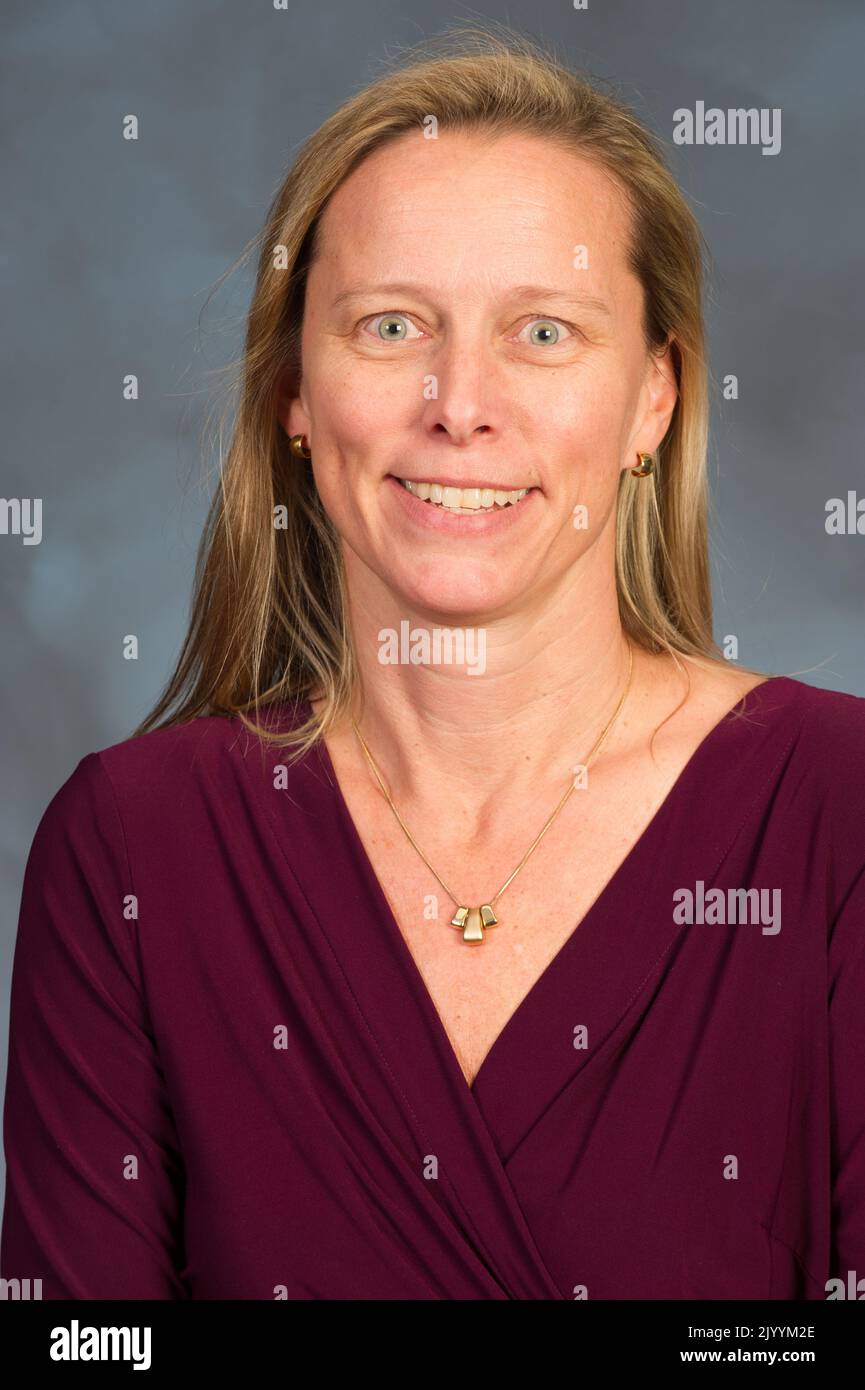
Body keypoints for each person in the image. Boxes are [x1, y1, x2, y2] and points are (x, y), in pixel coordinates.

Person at [2, 27, 863, 1301]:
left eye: (545, 332)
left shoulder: (838, 810)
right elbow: (82, 1346)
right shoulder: (131, 848)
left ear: (653, 400)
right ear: (296, 389)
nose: (459, 402)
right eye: (391, 323)